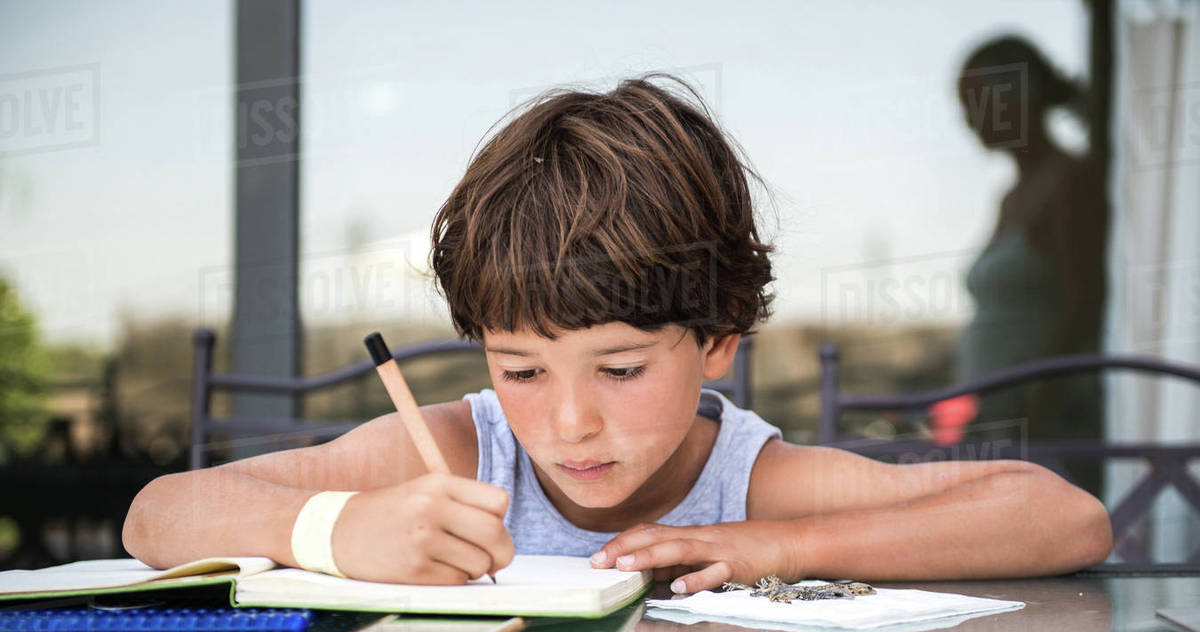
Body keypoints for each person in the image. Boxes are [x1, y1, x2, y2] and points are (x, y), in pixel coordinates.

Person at [122, 74, 1111, 592]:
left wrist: (781, 545)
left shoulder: (748, 486)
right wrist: (340, 529)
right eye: (521, 370)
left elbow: (1062, 517)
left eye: (623, 367)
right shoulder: (460, 453)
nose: (570, 424)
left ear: (718, 338)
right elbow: (158, 512)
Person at [949, 36, 1107, 496]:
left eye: (976, 102)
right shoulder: (1010, 197)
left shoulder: (1071, 182)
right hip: (999, 417)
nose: (969, 120)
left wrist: (1039, 406)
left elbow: (1086, 301)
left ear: (1020, 97)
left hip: (1045, 425)